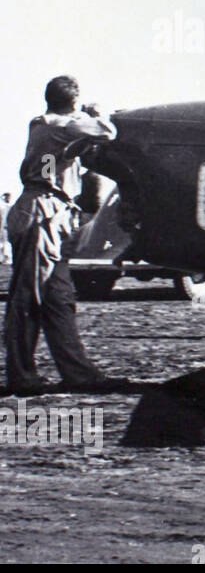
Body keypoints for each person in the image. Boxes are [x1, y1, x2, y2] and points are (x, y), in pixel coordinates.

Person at [5, 76, 122, 395]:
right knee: (31, 296)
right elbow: (107, 131)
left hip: (44, 210)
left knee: (57, 298)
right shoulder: (63, 125)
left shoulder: (44, 124)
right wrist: (95, 112)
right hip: (42, 211)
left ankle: (78, 373)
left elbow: (68, 150)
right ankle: (21, 375)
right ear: (72, 101)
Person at [0, 192, 10, 265]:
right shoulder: (2, 207)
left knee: (6, 243)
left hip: (7, 228)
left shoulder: (10, 207)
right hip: (3, 227)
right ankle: (2, 258)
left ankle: (6, 258)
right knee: (2, 243)